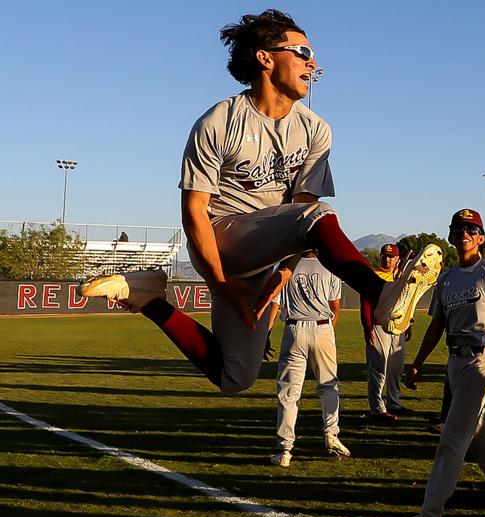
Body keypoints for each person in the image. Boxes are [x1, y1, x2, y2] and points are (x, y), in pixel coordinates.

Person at [79, 9, 407, 394]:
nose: (312, 63)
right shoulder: (220, 121)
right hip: (221, 243)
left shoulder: (316, 129)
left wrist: (282, 275)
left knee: (236, 376)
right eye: (302, 52)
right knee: (319, 214)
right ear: (265, 58)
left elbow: (302, 214)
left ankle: (148, 297)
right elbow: (194, 213)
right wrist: (219, 284)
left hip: (268, 257)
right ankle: (380, 294)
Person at [392, 209, 485, 517]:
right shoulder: (447, 279)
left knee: (452, 438)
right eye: (459, 228)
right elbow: (437, 324)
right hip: (455, 360)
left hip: (483, 361)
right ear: (451, 236)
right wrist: (418, 362)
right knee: (480, 437)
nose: (465, 233)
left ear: (481, 237)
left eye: (472, 229)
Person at [268, 250, 349, 465]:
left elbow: (275, 304)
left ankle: (285, 449)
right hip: (322, 326)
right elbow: (335, 306)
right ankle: (331, 434)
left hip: (294, 328)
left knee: (289, 392)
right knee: (328, 386)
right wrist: (327, 333)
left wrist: (266, 333)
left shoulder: (287, 264)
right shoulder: (330, 266)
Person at [364, 243, 417, 421]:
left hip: (398, 327)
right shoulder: (373, 276)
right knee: (378, 368)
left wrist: (408, 325)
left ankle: (394, 403)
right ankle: (377, 408)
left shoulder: (400, 277)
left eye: (391, 257)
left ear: (397, 259)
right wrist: (367, 327)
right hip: (379, 325)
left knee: (396, 368)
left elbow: (405, 303)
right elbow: (366, 303)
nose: (387, 260)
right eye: (385, 256)